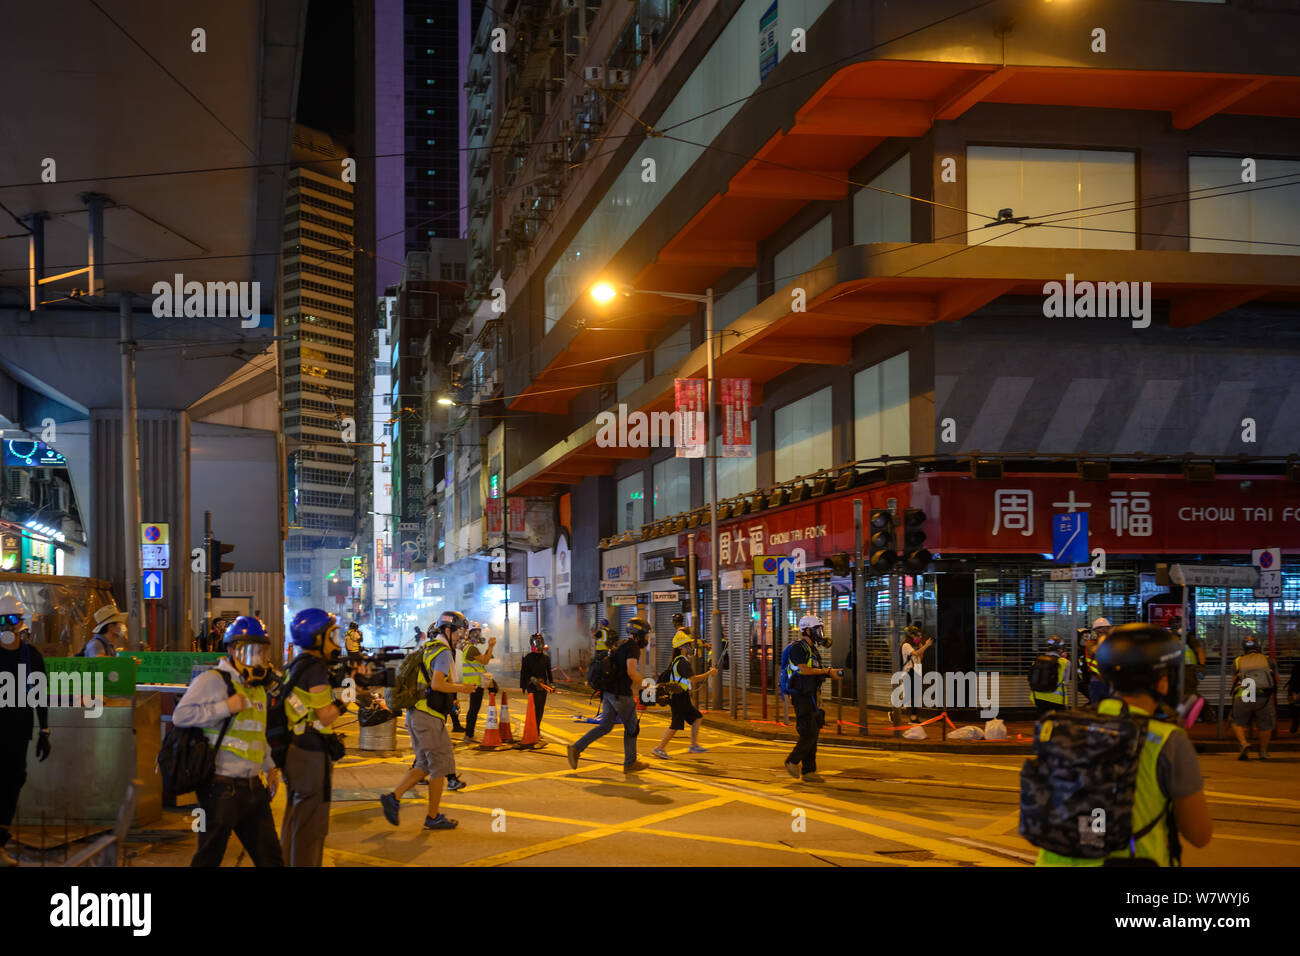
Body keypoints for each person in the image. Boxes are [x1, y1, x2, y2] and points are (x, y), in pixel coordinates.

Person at [1035, 623, 1212, 867]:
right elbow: (1199, 835)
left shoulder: (1062, 726)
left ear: (1108, 677)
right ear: (1162, 682)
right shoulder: (1168, 739)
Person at [172, 616, 283, 867]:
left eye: (261, 650)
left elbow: (257, 732)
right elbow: (181, 716)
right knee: (208, 858)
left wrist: (270, 768)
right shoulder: (213, 680)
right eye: (248, 649)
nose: (256, 657)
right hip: (221, 790)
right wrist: (224, 707)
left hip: (254, 788)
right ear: (231, 649)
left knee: (272, 859)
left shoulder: (256, 687)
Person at [379, 610, 474, 831]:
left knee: (423, 764)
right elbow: (437, 685)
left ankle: (393, 797)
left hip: (417, 715)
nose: (461, 636)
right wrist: (463, 688)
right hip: (428, 718)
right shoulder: (442, 653)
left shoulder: (428, 649)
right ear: (447, 630)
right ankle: (433, 816)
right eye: (458, 631)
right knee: (440, 766)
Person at [280, 608, 352, 866]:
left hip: (294, 749)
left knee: (296, 818)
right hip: (310, 755)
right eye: (331, 635)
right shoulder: (315, 670)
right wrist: (351, 694)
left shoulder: (296, 665)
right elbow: (326, 716)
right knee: (312, 825)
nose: (335, 641)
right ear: (317, 638)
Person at [0, 596, 50, 867]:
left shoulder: (30, 657)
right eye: (1, 621)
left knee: (12, 783)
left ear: (21, 623)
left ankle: (0, 843)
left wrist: (45, 730)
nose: (7, 627)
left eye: (12, 620)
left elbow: (39, 696)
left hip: (18, 732)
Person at [568, 617, 650, 773]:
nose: (646, 639)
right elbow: (631, 671)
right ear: (638, 634)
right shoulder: (633, 648)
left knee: (605, 726)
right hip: (621, 695)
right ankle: (630, 763)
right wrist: (648, 685)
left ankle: (576, 748)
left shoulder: (621, 644)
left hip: (608, 693)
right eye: (645, 635)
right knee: (632, 729)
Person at [783, 615, 841, 782]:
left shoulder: (813, 650)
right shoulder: (798, 648)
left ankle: (809, 772)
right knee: (808, 733)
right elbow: (803, 670)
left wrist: (831, 674)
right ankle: (792, 760)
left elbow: (816, 672)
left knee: (813, 734)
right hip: (801, 697)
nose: (820, 633)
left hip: (813, 696)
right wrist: (827, 671)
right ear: (807, 630)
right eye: (817, 629)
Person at [652, 631, 716, 758]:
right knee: (675, 724)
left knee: (697, 717)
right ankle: (659, 748)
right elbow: (693, 679)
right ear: (681, 647)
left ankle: (694, 745)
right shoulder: (682, 662)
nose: (690, 647)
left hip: (681, 695)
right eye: (687, 645)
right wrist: (710, 673)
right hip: (678, 697)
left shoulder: (677, 660)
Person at [1230, 636, 1279, 761]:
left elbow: (1234, 681)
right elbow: (1276, 679)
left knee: (1238, 722)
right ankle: (1262, 752)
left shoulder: (1238, 661)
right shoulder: (1268, 660)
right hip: (1263, 695)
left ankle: (1244, 743)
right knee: (1265, 724)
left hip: (1245, 693)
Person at [461, 622, 496, 741]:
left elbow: (482, 660)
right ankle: (469, 735)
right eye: (474, 632)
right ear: (469, 634)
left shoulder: (469, 647)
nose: (477, 635)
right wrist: (491, 646)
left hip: (474, 683)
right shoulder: (472, 649)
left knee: (473, 709)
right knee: (473, 710)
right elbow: (485, 661)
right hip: (475, 684)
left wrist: (487, 650)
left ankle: (469, 734)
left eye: (478, 632)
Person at [1028, 636, 1071, 717]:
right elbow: (1065, 682)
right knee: (1059, 724)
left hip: (1038, 697)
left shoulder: (1037, 660)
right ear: (1061, 649)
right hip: (1056, 699)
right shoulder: (1065, 662)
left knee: (1043, 721)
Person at [519, 633, 554, 728]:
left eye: (540, 642)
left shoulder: (546, 658)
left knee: (540, 708)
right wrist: (530, 681)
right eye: (536, 642)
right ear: (532, 644)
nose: (539, 644)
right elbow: (524, 673)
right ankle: (534, 729)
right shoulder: (528, 658)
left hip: (542, 687)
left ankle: (536, 728)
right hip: (532, 687)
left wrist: (551, 683)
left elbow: (549, 672)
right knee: (535, 708)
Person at [899, 624, 932, 720]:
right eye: (915, 635)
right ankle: (895, 712)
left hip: (916, 670)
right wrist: (926, 645)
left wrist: (921, 645)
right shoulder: (906, 645)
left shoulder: (915, 646)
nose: (918, 636)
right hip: (909, 672)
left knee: (915, 695)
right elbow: (916, 653)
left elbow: (919, 657)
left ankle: (913, 717)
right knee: (910, 695)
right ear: (910, 635)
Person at [1086, 618, 1114, 704]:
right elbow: (1096, 651)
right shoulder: (1091, 643)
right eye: (1101, 628)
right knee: (1098, 707)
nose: (1105, 630)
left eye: (1107, 628)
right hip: (1098, 680)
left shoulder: (1113, 642)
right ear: (1095, 631)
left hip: (1112, 680)